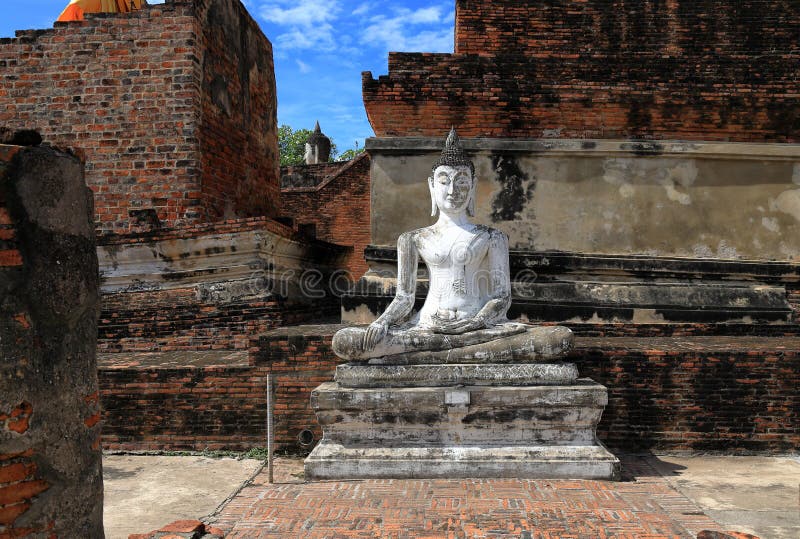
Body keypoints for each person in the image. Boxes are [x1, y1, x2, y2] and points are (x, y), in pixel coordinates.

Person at [332, 128, 572, 363]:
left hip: (477, 329)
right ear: (432, 186)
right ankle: (449, 352)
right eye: (444, 181)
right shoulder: (413, 239)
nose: (452, 190)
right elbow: (404, 298)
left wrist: (475, 322)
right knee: (346, 342)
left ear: (473, 187)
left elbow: (501, 297)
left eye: (462, 181)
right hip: (427, 327)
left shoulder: (492, 237)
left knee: (558, 340)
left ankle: (427, 356)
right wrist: (382, 322)